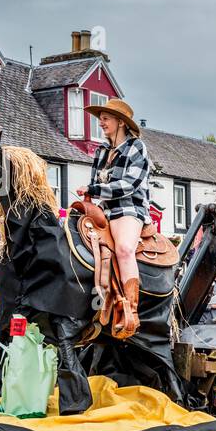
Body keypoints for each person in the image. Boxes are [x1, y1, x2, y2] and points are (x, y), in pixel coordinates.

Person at [76, 98, 151, 340]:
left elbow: (129, 185)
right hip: (105, 210)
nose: (101, 123)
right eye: (100, 119)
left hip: (129, 209)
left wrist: (94, 189)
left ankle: (130, 311)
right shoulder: (100, 151)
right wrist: (89, 197)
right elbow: (95, 185)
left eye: (106, 118)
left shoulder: (136, 147)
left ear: (120, 122)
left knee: (124, 248)